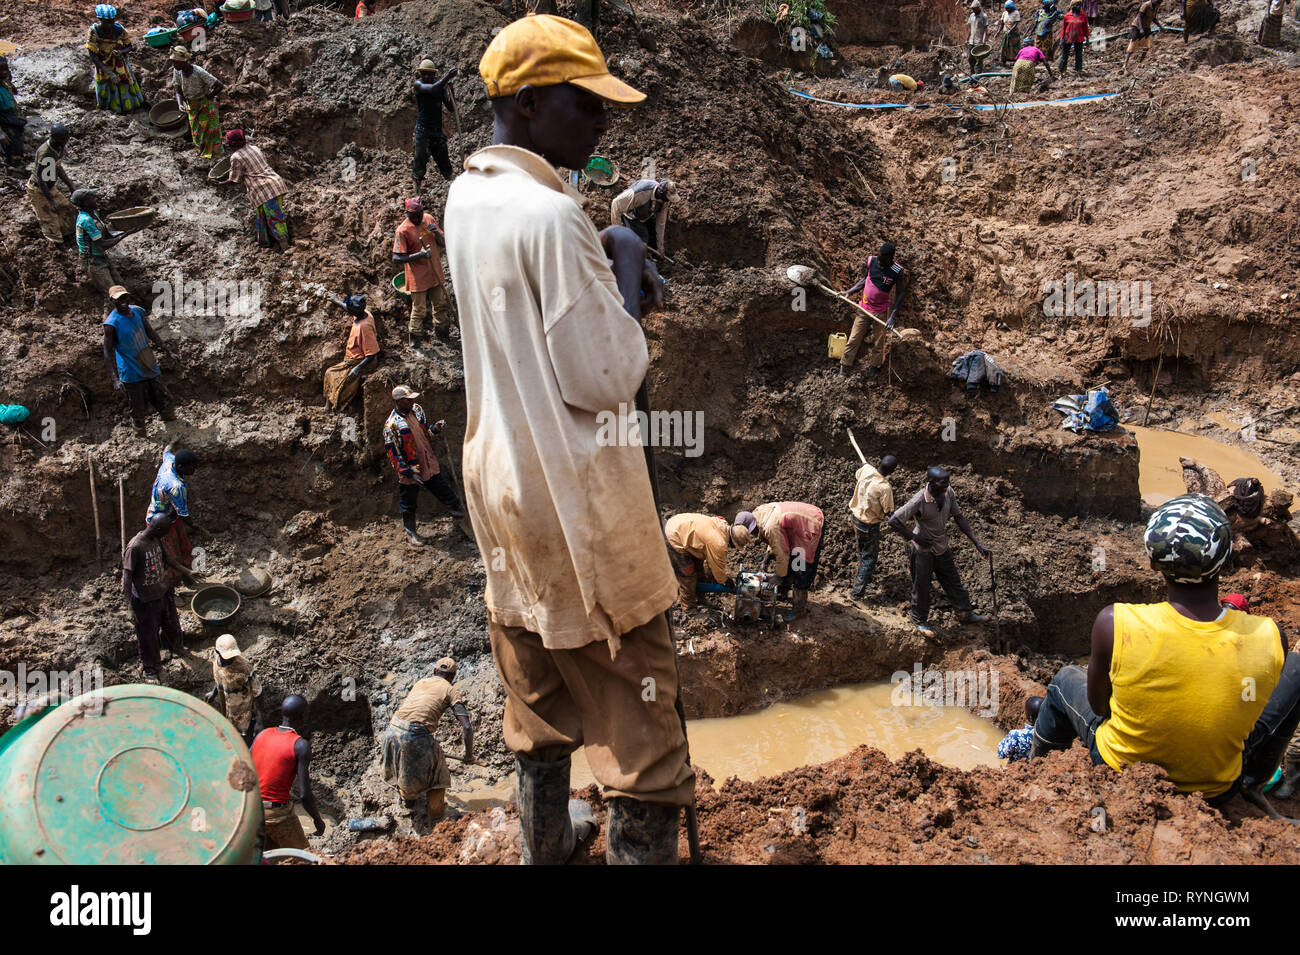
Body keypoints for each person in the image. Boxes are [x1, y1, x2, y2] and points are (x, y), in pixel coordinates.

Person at [443, 13, 695, 864]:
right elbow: (605, 376)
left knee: (538, 701)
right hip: (578, 507)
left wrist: (596, 237)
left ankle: (544, 847)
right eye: (584, 103)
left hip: (505, 493)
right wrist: (622, 265)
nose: (601, 121)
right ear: (526, 102)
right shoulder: (554, 221)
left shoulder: (466, 195)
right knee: (648, 744)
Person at [1029, 495, 1300, 815]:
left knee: (1063, 680)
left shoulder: (1113, 623)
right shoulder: (1270, 636)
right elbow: (1248, 709)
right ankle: (1254, 781)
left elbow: (1102, 707)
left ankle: (1037, 774)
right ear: (1225, 561)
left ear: (1152, 562)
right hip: (1217, 786)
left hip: (1123, 768)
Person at [888, 466, 991, 637]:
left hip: (942, 547)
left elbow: (959, 517)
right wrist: (915, 537)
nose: (946, 484)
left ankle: (965, 613)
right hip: (923, 551)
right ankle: (919, 621)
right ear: (931, 482)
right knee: (922, 587)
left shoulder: (949, 492)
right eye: (942, 481)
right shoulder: (919, 500)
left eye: (947, 480)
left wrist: (977, 543)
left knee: (953, 581)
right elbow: (893, 521)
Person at [381, 657, 474, 822]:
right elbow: (466, 727)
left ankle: (409, 801)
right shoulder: (450, 689)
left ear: (435, 671)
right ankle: (436, 816)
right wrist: (468, 755)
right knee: (439, 775)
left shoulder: (420, 682)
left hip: (392, 730)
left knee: (405, 768)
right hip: (414, 735)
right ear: (453, 677)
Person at [383, 384, 463, 545]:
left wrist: (436, 428)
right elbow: (393, 454)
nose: (413, 401)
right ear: (399, 401)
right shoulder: (391, 425)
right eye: (409, 399)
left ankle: (459, 512)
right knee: (408, 501)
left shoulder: (417, 410)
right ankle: (411, 532)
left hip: (427, 460)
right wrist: (408, 472)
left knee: (441, 486)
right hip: (411, 469)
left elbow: (426, 431)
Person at [251, 695, 326, 849]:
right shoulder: (300, 745)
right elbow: (304, 794)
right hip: (278, 815)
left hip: (252, 810)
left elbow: (244, 767)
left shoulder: (262, 734)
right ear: (303, 717)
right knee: (302, 856)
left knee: (265, 856)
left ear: (282, 714)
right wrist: (317, 820)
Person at [103, 286, 175, 435]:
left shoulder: (137, 311)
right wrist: (115, 378)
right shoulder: (111, 324)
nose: (123, 302)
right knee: (137, 405)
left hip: (147, 361)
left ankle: (170, 421)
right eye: (118, 299)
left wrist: (167, 350)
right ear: (112, 301)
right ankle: (140, 431)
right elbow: (107, 351)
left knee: (161, 394)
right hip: (130, 369)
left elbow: (150, 332)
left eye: (125, 298)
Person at [123, 511, 184, 684]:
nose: (167, 534)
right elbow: (127, 578)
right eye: (165, 530)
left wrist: (187, 571)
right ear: (156, 528)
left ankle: (176, 647)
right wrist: (128, 607)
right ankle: (150, 669)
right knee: (147, 635)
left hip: (163, 591)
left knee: (171, 623)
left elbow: (167, 559)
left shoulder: (156, 539)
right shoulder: (135, 547)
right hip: (145, 600)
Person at [392, 197, 453, 346]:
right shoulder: (402, 231)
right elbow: (396, 257)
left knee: (440, 304)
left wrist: (437, 233)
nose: (418, 218)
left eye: (419, 213)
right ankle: (415, 340)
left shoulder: (429, 219)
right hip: (417, 277)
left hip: (434, 271)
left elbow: (445, 242)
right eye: (414, 215)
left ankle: (442, 332)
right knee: (419, 309)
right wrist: (419, 255)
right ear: (407, 213)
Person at [665, 512, 756, 610]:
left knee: (699, 569)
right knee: (688, 576)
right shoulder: (719, 544)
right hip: (674, 536)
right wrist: (726, 581)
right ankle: (689, 607)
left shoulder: (723, 525)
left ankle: (700, 598)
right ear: (734, 543)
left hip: (681, 525)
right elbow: (717, 570)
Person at [839, 242, 905, 378]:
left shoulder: (897, 271)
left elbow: (900, 293)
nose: (879, 262)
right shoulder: (871, 261)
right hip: (864, 308)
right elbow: (864, 279)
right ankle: (845, 366)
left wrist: (892, 316)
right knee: (854, 338)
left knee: (878, 342)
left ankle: (874, 367)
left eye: (882, 259)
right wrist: (849, 291)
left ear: (890, 258)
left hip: (881, 311)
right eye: (878, 257)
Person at [146, 443, 208, 586]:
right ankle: (173, 586)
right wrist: (199, 528)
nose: (195, 469)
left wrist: (172, 443)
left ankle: (189, 576)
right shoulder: (176, 487)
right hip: (160, 523)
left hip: (171, 516)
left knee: (184, 546)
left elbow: (166, 451)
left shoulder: (170, 461)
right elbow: (184, 515)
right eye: (191, 467)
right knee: (171, 555)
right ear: (180, 467)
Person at [754, 502, 825, 620]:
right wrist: (765, 561)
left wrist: (779, 576)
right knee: (791, 562)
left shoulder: (769, 525)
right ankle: (784, 590)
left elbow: (782, 552)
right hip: (796, 527)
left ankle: (799, 609)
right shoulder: (759, 514)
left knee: (802, 568)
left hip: (810, 525)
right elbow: (774, 540)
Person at [224, 129, 290, 249]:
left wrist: (221, 182)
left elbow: (235, 178)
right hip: (275, 183)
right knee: (263, 217)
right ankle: (265, 243)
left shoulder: (236, 157)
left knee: (275, 218)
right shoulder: (254, 148)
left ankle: (284, 245)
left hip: (263, 190)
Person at [849, 454, 898, 599]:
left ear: (879, 462)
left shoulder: (867, 470)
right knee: (869, 559)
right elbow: (889, 510)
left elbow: (861, 471)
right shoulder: (884, 487)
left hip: (855, 518)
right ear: (892, 471)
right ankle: (857, 593)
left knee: (862, 550)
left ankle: (859, 574)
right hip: (869, 525)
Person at [323, 293, 380, 410]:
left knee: (339, 383)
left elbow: (372, 354)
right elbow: (348, 308)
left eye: (350, 309)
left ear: (355, 311)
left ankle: (338, 406)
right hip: (352, 359)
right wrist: (336, 300)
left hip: (360, 362)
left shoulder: (364, 327)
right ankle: (328, 405)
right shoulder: (364, 313)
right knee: (330, 373)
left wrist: (356, 369)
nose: (347, 310)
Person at [85, 5, 144, 115]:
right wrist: (110, 73)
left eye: (112, 22)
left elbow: (129, 45)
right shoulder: (94, 31)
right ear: (100, 20)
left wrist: (121, 52)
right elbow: (93, 57)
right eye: (107, 22)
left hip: (119, 63)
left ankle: (128, 109)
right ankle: (109, 113)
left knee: (124, 85)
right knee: (105, 87)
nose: (110, 25)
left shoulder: (118, 29)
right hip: (103, 64)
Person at [411, 60, 460, 194]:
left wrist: (452, 93)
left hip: (437, 132)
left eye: (430, 75)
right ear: (420, 74)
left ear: (433, 75)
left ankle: (452, 187)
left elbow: (450, 108)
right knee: (420, 161)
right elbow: (432, 89)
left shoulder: (440, 88)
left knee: (444, 162)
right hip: (423, 131)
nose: (427, 77)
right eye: (424, 74)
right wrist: (447, 77)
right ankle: (417, 189)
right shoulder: (418, 85)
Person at [208, 634, 262, 747]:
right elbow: (219, 678)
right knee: (230, 732)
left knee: (245, 741)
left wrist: (259, 720)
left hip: (244, 713)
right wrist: (213, 693)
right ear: (218, 653)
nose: (231, 658)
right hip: (227, 706)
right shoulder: (215, 660)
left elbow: (257, 692)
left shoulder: (243, 667)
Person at [27, 125, 78, 245]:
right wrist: (51, 201)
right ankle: (57, 247)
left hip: (50, 187)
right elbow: (40, 178)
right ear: (54, 138)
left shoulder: (58, 148)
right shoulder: (46, 153)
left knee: (68, 210)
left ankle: (70, 238)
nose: (65, 142)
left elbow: (58, 168)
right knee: (49, 220)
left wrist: (71, 186)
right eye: (62, 140)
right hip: (38, 190)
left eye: (66, 139)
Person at [171, 46, 224, 159]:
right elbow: (178, 91)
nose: (174, 65)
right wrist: (180, 103)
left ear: (184, 61)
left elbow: (219, 86)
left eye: (176, 62)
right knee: (197, 131)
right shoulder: (177, 71)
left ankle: (216, 154)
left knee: (210, 130)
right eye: (173, 62)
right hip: (192, 105)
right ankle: (203, 155)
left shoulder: (198, 72)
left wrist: (208, 97)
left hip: (205, 103)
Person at [74, 188, 126, 298]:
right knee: (111, 295)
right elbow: (101, 244)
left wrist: (124, 229)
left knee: (120, 286)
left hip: (100, 256)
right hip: (92, 261)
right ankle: (110, 314)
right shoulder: (85, 220)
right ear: (85, 203)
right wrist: (124, 235)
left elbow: (106, 234)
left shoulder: (93, 214)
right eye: (92, 198)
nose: (95, 199)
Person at [609, 178, 677, 255]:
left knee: (654, 236)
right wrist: (619, 233)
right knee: (643, 240)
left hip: (648, 213)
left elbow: (660, 224)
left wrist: (660, 247)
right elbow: (615, 203)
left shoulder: (664, 201)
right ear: (661, 194)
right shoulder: (639, 193)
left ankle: (655, 256)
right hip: (633, 215)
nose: (667, 201)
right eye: (666, 199)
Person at [1123, 0, 1163, 73]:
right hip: (1137, 26)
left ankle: (1140, 62)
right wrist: (1141, 29)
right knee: (1133, 43)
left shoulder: (1156, 6)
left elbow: (1153, 18)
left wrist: (1159, 25)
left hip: (1146, 27)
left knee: (1148, 43)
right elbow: (1139, 17)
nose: (1158, 3)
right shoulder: (1146, 5)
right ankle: (1125, 64)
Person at [997, 697, 1042, 761]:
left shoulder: (1016, 735)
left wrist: (1002, 743)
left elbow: (1001, 754)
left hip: (1016, 769)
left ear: (1030, 718)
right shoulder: (1051, 736)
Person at [0, 56, 24, 167]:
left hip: (11, 116)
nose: (6, 72)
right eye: (2, 70)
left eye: (7, 69)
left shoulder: (4, 82)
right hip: (3, 119)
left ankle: (16, 162)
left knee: (17, 142)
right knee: (9, 145)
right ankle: (10, 166)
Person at [1058, 1, 1090, 73]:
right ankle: (1062, 70)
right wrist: (1061, 39)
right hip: (1068, 37)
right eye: (1077, 5)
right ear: (1073, 6)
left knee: (1078, 54)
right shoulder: (1067, 16)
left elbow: (1085, 28)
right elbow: (1063, 28)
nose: (1079, 6)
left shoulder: (1083, 15)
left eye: (1080, 5)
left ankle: (1079, 70)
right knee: (1065, 54)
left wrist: (1087, 38)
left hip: (1079, 37)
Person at [968, 2, 990, 72]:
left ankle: (978, 73)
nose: (973, 10)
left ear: (978, 8)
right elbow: (970, 28)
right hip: (971, 40)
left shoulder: (984, 16)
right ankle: (972, 72)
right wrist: (967, 38)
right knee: (970, 58)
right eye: (972, 9)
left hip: (979, 41)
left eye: (974, 9)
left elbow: (985, 29)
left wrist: (984, 40)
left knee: (979, 59)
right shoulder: (971, 16)